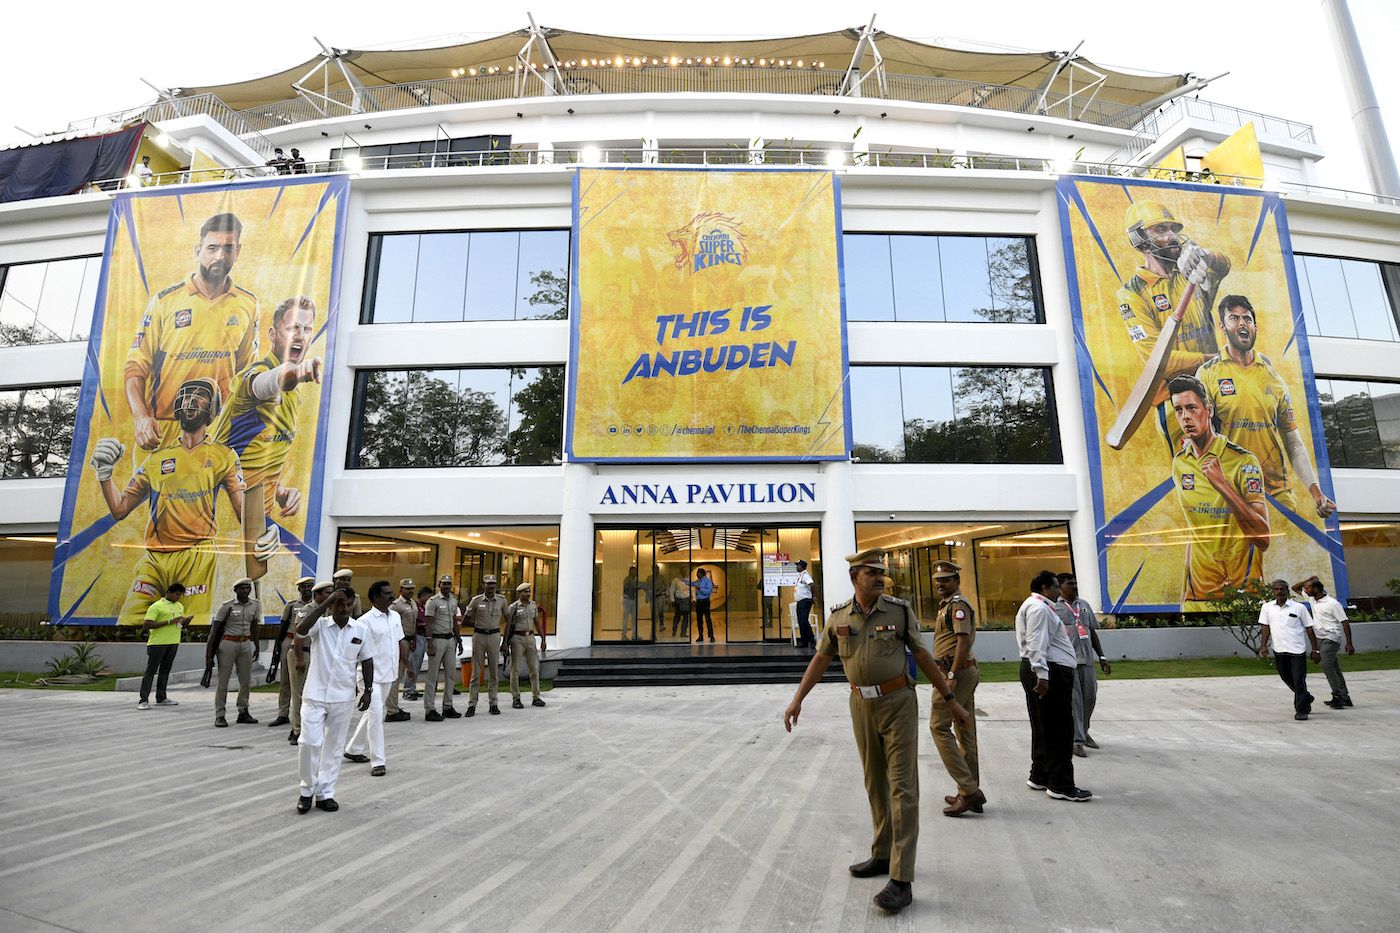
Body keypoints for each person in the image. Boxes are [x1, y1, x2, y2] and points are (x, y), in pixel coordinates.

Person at [783, 549, 971, 915]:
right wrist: (797, 699)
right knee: (874, 782)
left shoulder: (898, 611)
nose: (880, 578)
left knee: (903, 787)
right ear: (855, 576)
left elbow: (922, 655)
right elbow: (821, 657)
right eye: (872, 572)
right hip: (860, 705)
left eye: (882, 572)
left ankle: (902, 879)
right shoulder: (839, 615)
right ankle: (882, 854)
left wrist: (952, 699)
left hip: (898, 702)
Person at [91, 378, 256, 628]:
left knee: (191, 625)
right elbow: (119, 509)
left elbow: (242, 510)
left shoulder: (224, 455)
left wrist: (263, 532)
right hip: (154, 559)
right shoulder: (157, 459)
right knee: (129, 623)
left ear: (212, 407)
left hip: (198, 556)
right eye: (186, 394)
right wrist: (105, 475)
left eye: (200, 394)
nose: (190, 399)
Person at [124, 212, 259, 451]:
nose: (219, 256)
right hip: (164, 430)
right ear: (198, 250)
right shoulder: (165, 301)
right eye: (212, 248)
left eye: (228, 248)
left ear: (238, 251)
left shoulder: (248, 304)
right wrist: (140, 416)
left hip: (217, 433)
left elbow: (245, 373)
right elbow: (135, 367)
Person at [1197, 295, 1337, 517]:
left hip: (1276, 491)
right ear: (1223, 327)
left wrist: (1316, 492)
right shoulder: (1207, 374)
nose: (1243, 323)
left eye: (1247, 318)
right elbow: (1201, 438)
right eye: (1234, 318)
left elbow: (1293, 443)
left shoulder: (1273, 378)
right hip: (1232, 491)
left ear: (1255, 327)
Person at [1116, 199, 1232, 452]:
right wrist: (1215, 358)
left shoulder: (1192, 274)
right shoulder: (1132, 294)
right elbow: (1157, 359)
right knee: (1197, 480)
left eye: (1172, 229)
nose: (1171, 237)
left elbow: (1223, 266)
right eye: (1160, 230)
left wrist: (1206, 256)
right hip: (1175, 402)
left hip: (1215, 392)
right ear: (1140, 240)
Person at [210, 295, 323, 529]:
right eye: (292, 327)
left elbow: (260, 455)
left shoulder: (295, 395)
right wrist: (297, 372)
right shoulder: (254, 376)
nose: (300, 335)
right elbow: (266, 383)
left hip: (256, 530)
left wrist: (280, 491)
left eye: (307, 328)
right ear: (272, 334)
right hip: (218, 526)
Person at [1168, 374, 1271, 610]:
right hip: (1197, 596)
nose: (1185, 417)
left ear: (1209, 410)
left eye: (1192, 408)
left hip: (1240, 594)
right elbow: (1195, 531)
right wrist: (1186, 591)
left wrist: (1223, 486)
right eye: (1179, 410)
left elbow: (1263, 538)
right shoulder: (1180, 463)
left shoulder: (1243, 460)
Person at [293, 588, 374, 813]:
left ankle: (325, 792)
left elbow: (367, 660)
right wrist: (326, 601)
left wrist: (367, 690)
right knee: (309, 742)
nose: (344, 609)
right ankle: (306, 790)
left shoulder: (360, 629)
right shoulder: (320, 625)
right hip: (315, 695)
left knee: (334, 746)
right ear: (331, 605)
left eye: (348, 605)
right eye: (339, 604)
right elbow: (300, 629)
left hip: (343, 697)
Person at [1016, 570, 1092, 802]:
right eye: (1056, 587)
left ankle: (1040, 774)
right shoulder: (1039, 608)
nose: (1060, 591)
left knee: (1043, 726)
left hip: (1041, 669)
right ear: (1045, 588)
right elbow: (1036, 642)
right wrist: (1042, 674)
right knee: (1060, 729)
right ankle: (1060, 783)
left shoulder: (1032, 605)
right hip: (1050, 671)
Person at [928, 560, 984, 817]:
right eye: (938, 580)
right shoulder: (948, 606)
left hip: (956, 673)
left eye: (946, 579)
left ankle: (970, 791)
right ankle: (968, 791)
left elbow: (961, 642)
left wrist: (950, 674)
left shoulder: (958, 606)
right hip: (962, 671)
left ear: (956, 581)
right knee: (965, 730)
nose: (941, 583)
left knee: (939, 726)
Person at [342, 581, 408, 777]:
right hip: (369, 678)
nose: (391, 596)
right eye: (387, 594)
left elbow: (400, 640)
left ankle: (353, 749)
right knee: (377, 716)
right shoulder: (364, 621)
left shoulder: (395, 616)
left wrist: (409, 665)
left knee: (374, 714)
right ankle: (378, 761)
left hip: (389, 674)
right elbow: (353, 652)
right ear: (375, 598)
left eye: (391, 592)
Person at [1054, 573, 1112, 757]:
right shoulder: (1054, 608)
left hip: (1086, 660)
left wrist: (1102, 656)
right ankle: (1076, 740)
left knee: (1090, 697)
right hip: (1068, 661)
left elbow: (1092, 632)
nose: (1074, 586)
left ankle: (1084, 731)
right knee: (1074, 701)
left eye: (1075, 583)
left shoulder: (1084, 605)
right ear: (1060, 586)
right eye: (1070, 584)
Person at [1259, 579, 1321, 720]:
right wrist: (1263, 646)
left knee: (1299, 680)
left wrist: (1315, 650)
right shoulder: (1267, 608)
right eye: (1276, 589)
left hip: (1297, 650)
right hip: (1279, 650)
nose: (1279, 592)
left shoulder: (1298, 608)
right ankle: (1306, 697)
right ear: (1273, 591)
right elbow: (1265, 627)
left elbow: (1309, 628)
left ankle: (1301, 710)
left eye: (1282, 589)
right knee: (1285, 677)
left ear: (1287, 591)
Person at [208, 576, 262, 727]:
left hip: (245, 644)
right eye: (242, 588)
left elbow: (255, 626)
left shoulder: (255, 605)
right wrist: (209, 654)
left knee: (245, 681)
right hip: (228, 644)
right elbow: (215, 630)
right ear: (235, 590)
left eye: (247, 588)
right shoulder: (227, 606)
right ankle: (220, 714)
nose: (245, 591)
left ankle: (243, 711)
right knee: (223, 682)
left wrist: (256, 645)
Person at [1293, 575, 1354, 708]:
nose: (1305, 589)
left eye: (1308, 587)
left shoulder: (1332, 604)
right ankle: (1345, 697)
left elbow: (1345, 622)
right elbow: (1295, 588)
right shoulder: (1312, 599)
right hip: (1319, 637)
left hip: (1331, 638)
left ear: (1316, 589)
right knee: (1334, 667)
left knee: (1326, 664)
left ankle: (1337, 696)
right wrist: (1308, 579)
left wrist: (1349, 643)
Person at [269, 576, 315, 741]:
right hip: (290, 641)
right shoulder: (292, 606)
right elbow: (282, 627)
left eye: (310, 586)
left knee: (302, 684)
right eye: (304, 587)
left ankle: (300, 720)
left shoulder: (317, 606)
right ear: (299, 589)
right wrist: (277, 648)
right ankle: (283, 713)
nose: (307, 589)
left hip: (308, 643)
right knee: (286, 681)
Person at [136, 582, 192, 710]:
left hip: (173, 642)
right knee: (151, 671)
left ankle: (161, 698)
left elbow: (178, 624)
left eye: (181, 595)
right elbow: (146, 625)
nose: (179, 597)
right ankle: (143, 700)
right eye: (177, 594)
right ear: (169, 592)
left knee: (165, 670)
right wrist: (169, 622)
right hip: (157, 643)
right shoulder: (157, 606)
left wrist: (185, 622)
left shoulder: (179, 606)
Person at [464, 575, 508, 716]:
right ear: (483, 585)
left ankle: (493, 702)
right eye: (488, 584)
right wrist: (478, 625)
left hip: (494, 636)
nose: (491, 586)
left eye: (493, 584)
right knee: (476, 671)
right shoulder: (476, 601)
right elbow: (466, 619)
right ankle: (472, 704)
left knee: (494, 670)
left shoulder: (502, 600)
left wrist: (505, 641)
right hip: (479, 636)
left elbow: (509, 620)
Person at [422, 575, 461, 721]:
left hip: (450, 639)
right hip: (437, 640)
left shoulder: (453, 600)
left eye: (449, 584)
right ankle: (429, 709)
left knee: (451, 674)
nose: (446, 586)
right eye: (444, 584)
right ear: (439, 584)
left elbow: (454, 622)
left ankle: (448, 706)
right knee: (433, 676)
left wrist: (459, 639)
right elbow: (429, 624)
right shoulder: (432, 602)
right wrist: (429, 643)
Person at [505, 582, 547, 708]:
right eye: (525, 592)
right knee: (515, 669)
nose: (528, 594)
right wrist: (505, 642)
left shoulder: (533, 605)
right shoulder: (513, 607)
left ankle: (536, 696)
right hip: (517, 638)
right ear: (519, 593)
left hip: (530, 637)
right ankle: (516, 698)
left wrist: (543, 639)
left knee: (534, 668)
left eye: (529, 591)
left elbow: (537, 623)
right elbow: (508, 626)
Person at [389, 578, 420, 713]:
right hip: (399, 642)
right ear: (401, 589)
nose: (410, 591)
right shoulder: (396, 605)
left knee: (400, 675)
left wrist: (413, 639)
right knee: (396, 676)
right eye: (407, 589)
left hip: (409, 640)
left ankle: (394, 706)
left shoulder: (413, 603)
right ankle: (392, 709)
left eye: (412, 588)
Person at [794, 559, 816, 649]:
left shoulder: (805, 576)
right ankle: (804, 641)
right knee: (800, 621)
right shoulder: (801, 576)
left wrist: (813, 596)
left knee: (804, 621)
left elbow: (812, 584)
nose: (797, 567)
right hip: (800, 601)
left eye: (798, 565)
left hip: (805, 601)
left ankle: (812, 640)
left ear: (802, 566)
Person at [690, 569, 715, 642]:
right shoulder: (697, 582)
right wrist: (694, 600)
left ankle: (711, 636)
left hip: (705, 602)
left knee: (708, 619)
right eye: (697, 573)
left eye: (698, 573)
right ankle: (700, 636)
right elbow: (694, 592)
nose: (697, 575)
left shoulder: (708, 581)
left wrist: (700, 589)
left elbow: (709, 591)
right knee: (699, 620)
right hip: (699, 603)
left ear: (702, 574)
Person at [621, 566, 640, 640]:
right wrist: (645, 586)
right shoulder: (628, 579)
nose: (635, 573)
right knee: (625, 618)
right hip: (627, 600)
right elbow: (634, 586)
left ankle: (634, 635)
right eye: (634, 571)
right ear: (630, 571)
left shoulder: (633, 580)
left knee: (634, 619)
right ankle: (623, 635)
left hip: (633, 600)